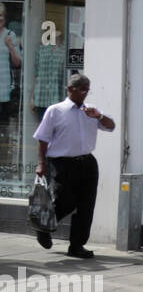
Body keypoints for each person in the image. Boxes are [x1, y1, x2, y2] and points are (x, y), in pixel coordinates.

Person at [32, 72, 115, 258]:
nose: (85, 93)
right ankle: (43, 226)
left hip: (87, 162)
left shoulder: (91, 110)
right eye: (82, 89)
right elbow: (42, 139)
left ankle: (77, 246)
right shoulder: (55, 111)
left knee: (86, 205)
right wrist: (41, 164)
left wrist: (99, 116)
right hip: (62, 162)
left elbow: (111, 126)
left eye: (87, 90)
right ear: (70, 89)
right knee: (65, 200)